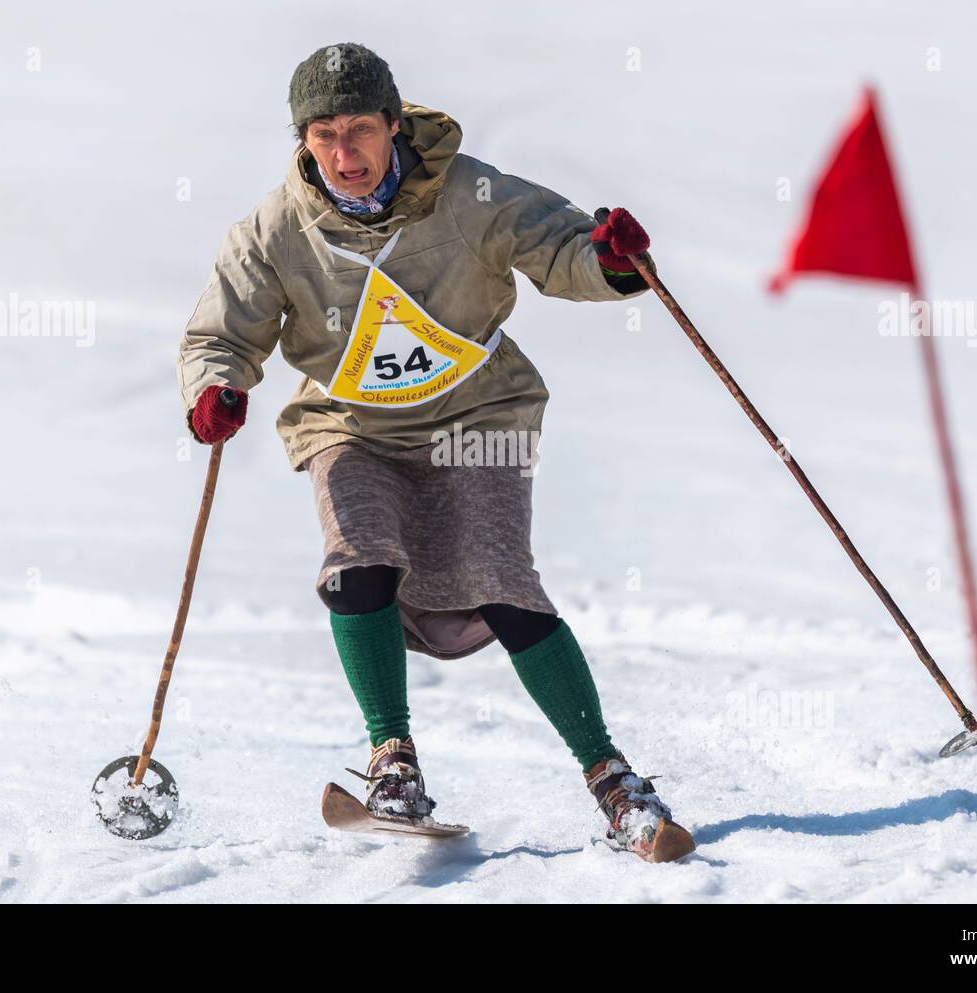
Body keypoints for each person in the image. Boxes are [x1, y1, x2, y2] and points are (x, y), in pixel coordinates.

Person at [178, 42, 693, 862]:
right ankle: (393, 762)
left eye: (357, 130)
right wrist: (215, 387)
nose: (342, 154)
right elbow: (220, 332)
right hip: (350, 423)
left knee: (501, 577)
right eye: (321, 135)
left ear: (394, 123)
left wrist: (611, 260)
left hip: (477, 410)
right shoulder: (276, 229)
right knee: (357, 555)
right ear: (301, 140)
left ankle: (614, 783)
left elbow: (562, 248)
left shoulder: (469, 192)